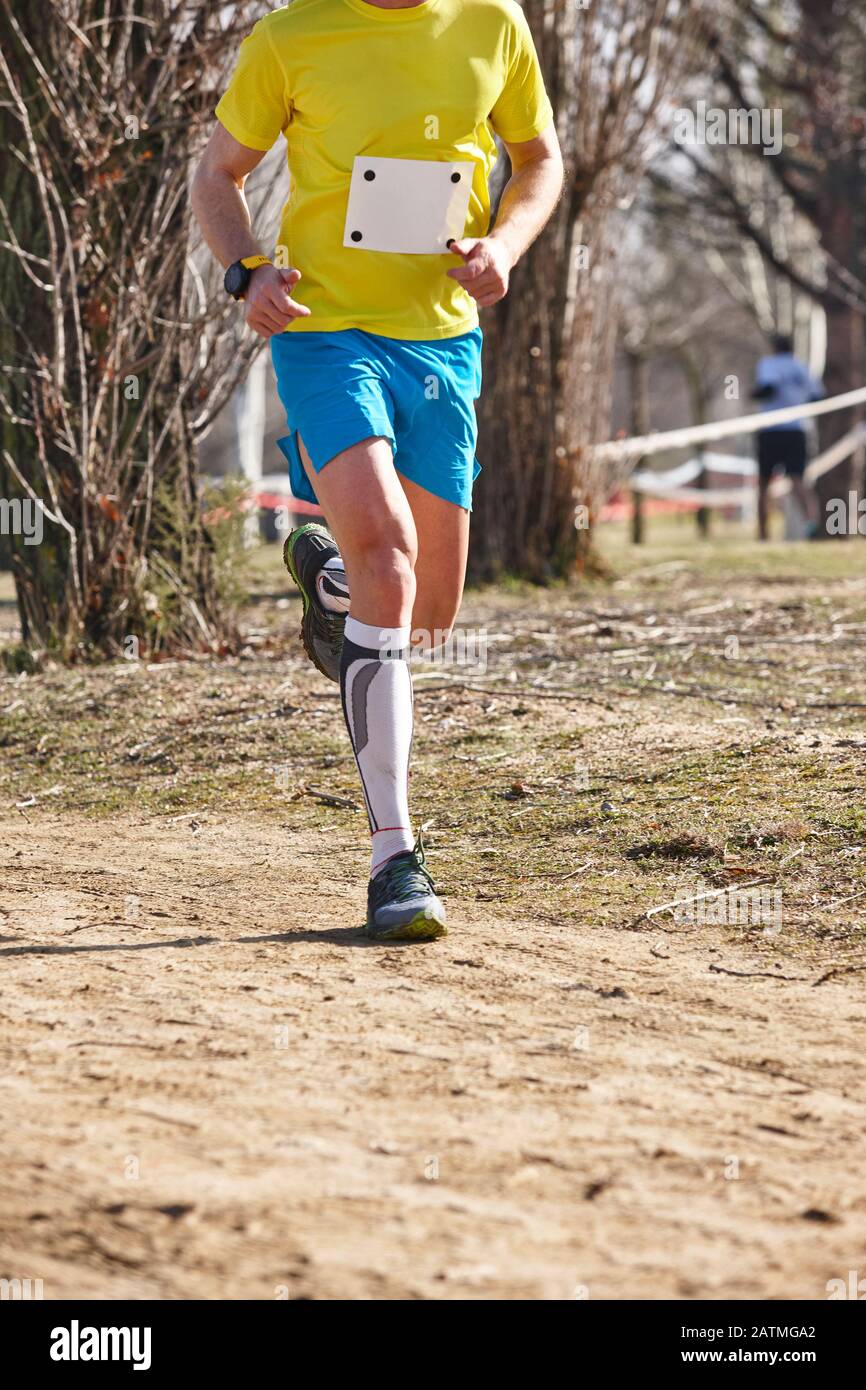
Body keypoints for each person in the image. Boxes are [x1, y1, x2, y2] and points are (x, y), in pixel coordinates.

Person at [192, 0, 563, 940]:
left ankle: (331, 580)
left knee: (427, 616)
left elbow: (540, 161)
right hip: (325, 336)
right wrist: (247, 272)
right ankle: (395, 858)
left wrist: (503, 247)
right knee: (390, 558)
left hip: (441, 347)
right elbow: (219, 175)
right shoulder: (290, 36)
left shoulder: (494, 24)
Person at [751, 333, 825, 541]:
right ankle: (812, 525)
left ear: (774, 347)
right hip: (797, 430)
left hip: (771, 430)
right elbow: (817, 395)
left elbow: (768, 389)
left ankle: (763, 534)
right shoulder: (800, 367)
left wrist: (752, 395)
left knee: (764, 483)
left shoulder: (769, 364)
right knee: (797, 480)